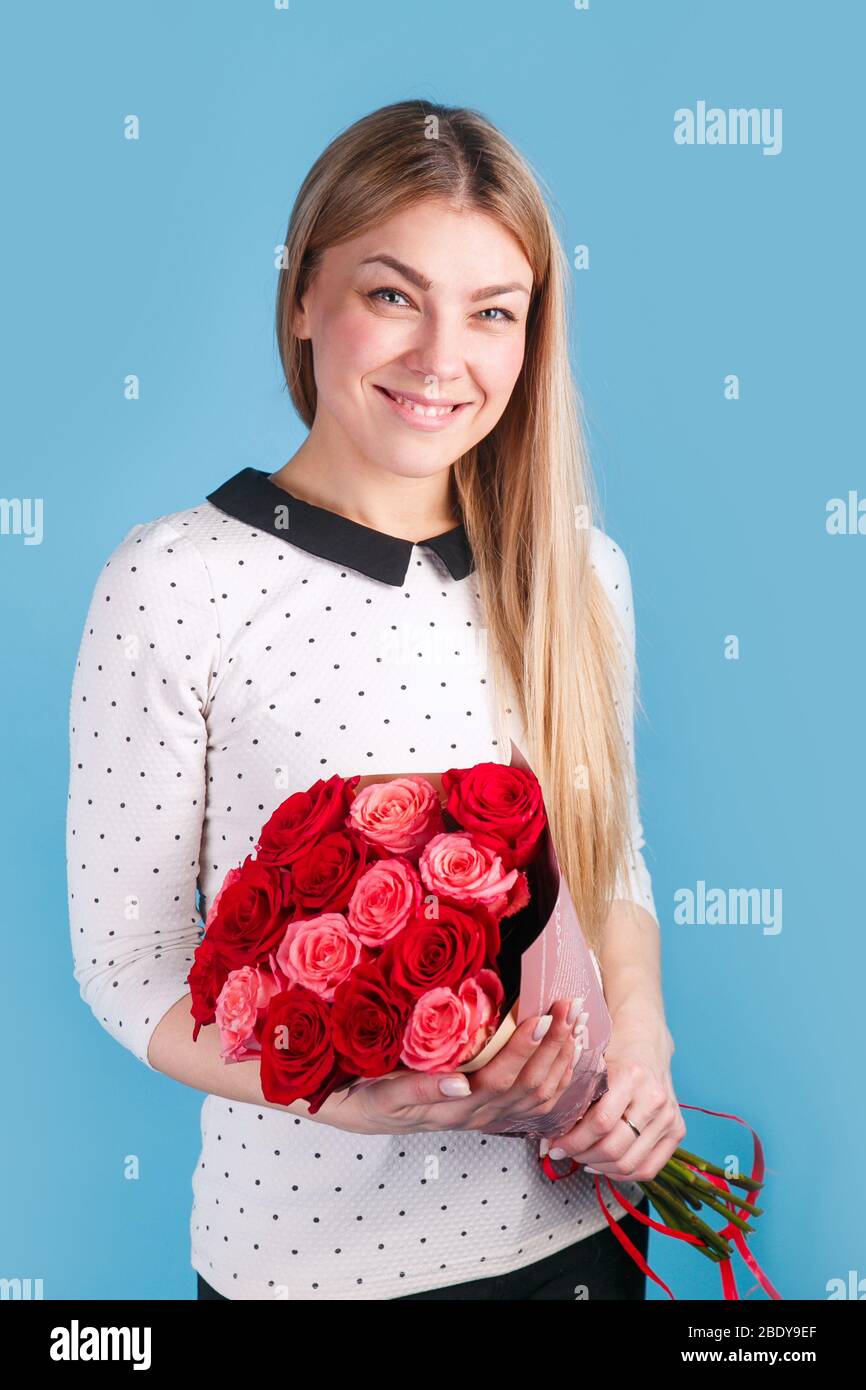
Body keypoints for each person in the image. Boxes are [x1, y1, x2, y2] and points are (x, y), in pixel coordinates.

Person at [66, 99, 683, 1301]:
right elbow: (127, 965)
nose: (439, 357)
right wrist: (335, 1094)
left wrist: (643, 1046)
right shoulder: (175, 582)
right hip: (305, 1270)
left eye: (491, 311)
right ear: (302, 297)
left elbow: (610, 869)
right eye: (393, 295)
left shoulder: (575, 565)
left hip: (580, 1237)